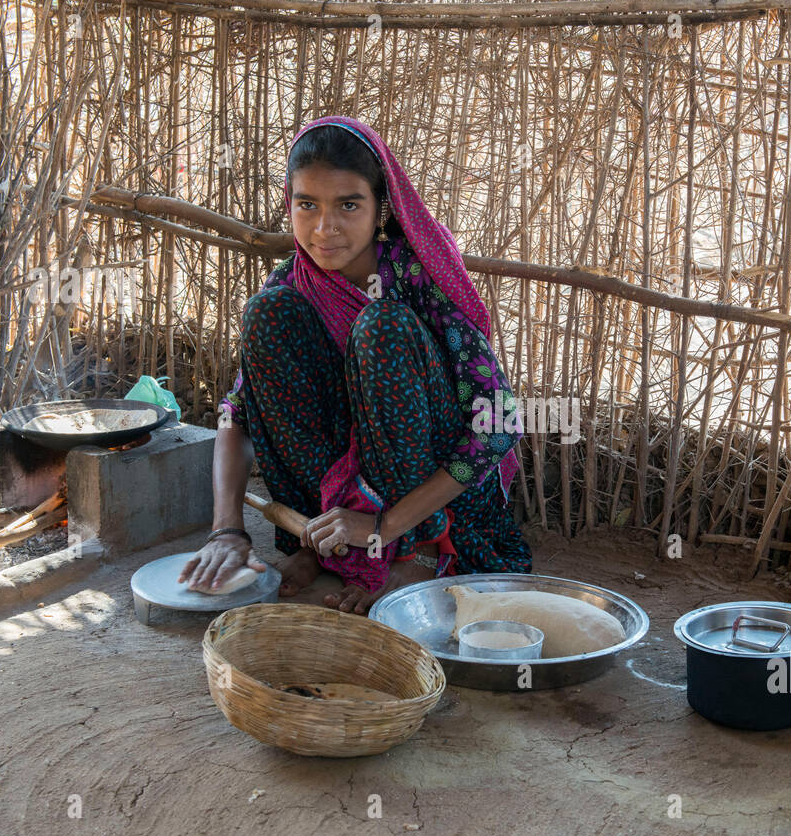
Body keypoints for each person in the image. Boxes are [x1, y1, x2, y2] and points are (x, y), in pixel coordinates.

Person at [179, 116, 531, 614]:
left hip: (424, 490)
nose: (325, 228)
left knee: (381, 326)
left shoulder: (413, 275)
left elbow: (498, 424)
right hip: (339, 484)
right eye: (307, 205)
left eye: (348, 204)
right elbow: (235, 414)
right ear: (290, 204)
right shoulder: (290, 284)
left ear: (380, 205)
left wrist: (382, 528)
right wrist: (227, 531)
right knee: (266, 315)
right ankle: (319, 542)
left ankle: (417, 553)